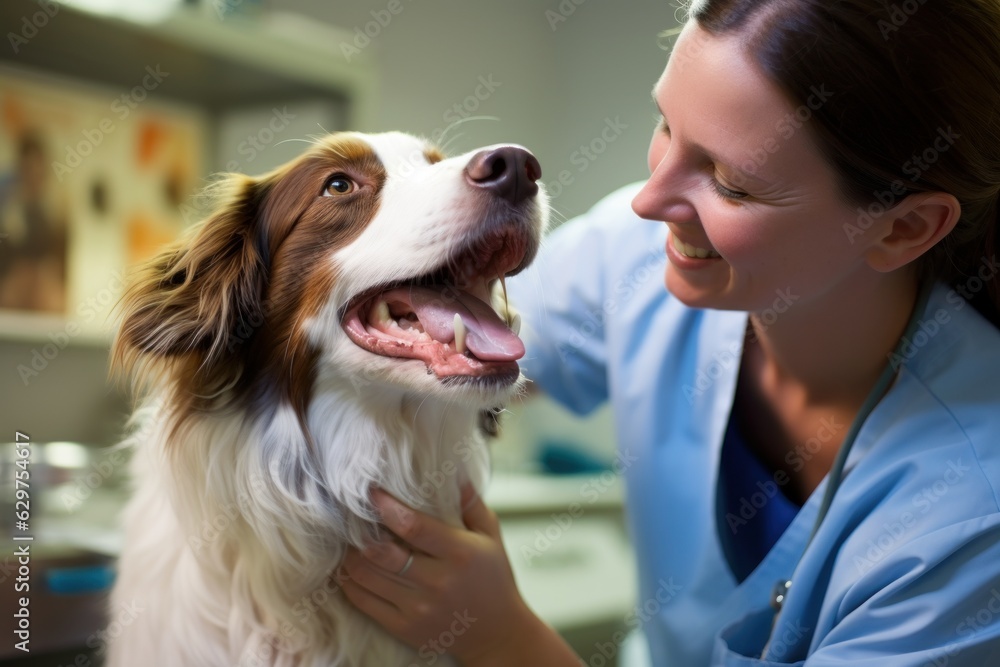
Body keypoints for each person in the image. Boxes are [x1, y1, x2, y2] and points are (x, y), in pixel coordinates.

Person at [339, 0, 1000, 664]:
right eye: (665, 124)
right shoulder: (633, 255)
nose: (648, 201)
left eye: (732, 183)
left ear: (903, 227)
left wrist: (504, 637)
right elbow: (427, 349)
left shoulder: (972, 512)